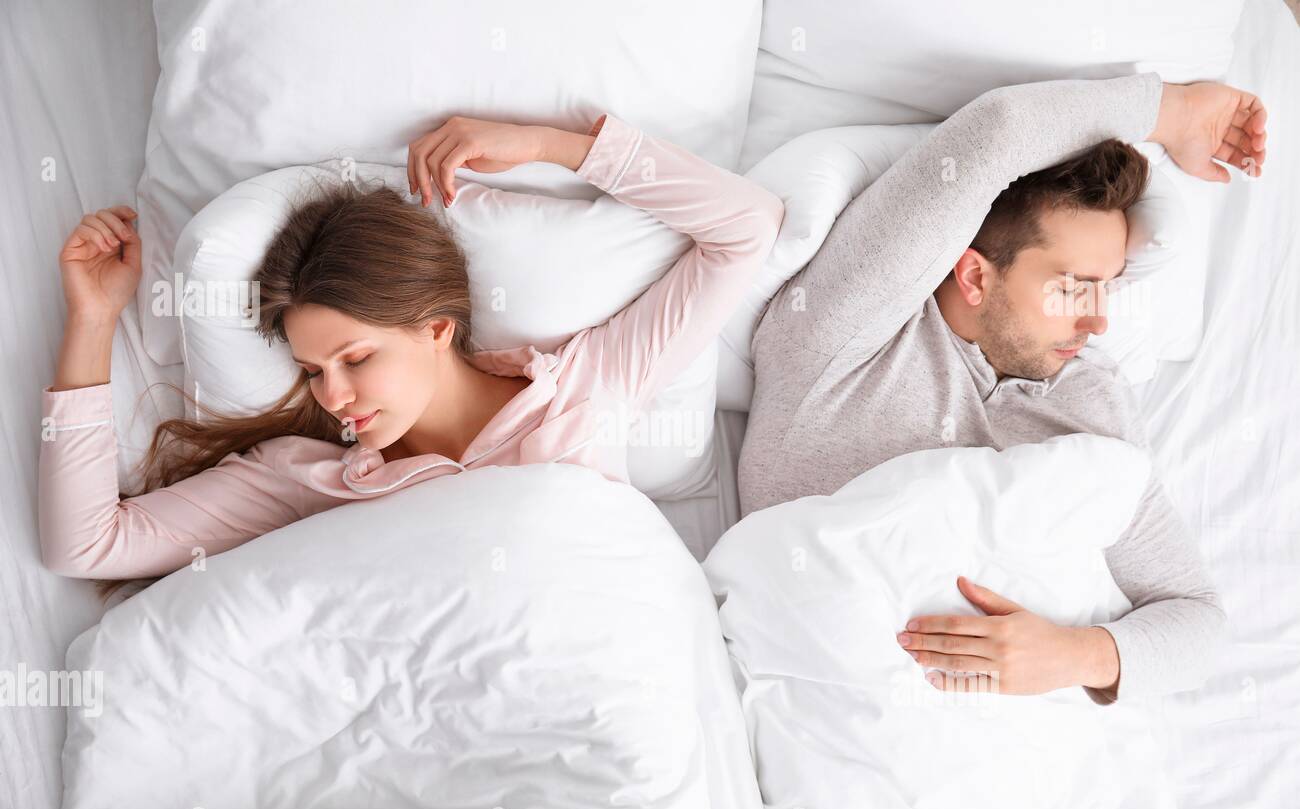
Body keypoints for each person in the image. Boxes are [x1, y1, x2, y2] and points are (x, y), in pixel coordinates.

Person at [40, 114, 784, 596]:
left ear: (436, 328)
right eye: (311, 371)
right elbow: (85, 544)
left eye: (355, 359)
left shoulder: (585, 388)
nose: (332, 396)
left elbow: (748, 224)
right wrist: (94, 318)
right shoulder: (314, 478)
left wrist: (550, 147)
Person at [738, 75, 1267, 705]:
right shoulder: (848, 335)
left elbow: (1198, 619)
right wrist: (1174, 111)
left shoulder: (1090, 398)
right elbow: (999, 131)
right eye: (1072, 288)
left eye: (1110, 285)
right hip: (827, 711)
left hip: (1022, 756)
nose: (1099, 321)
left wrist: (1076, 655)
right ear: (974, 276)